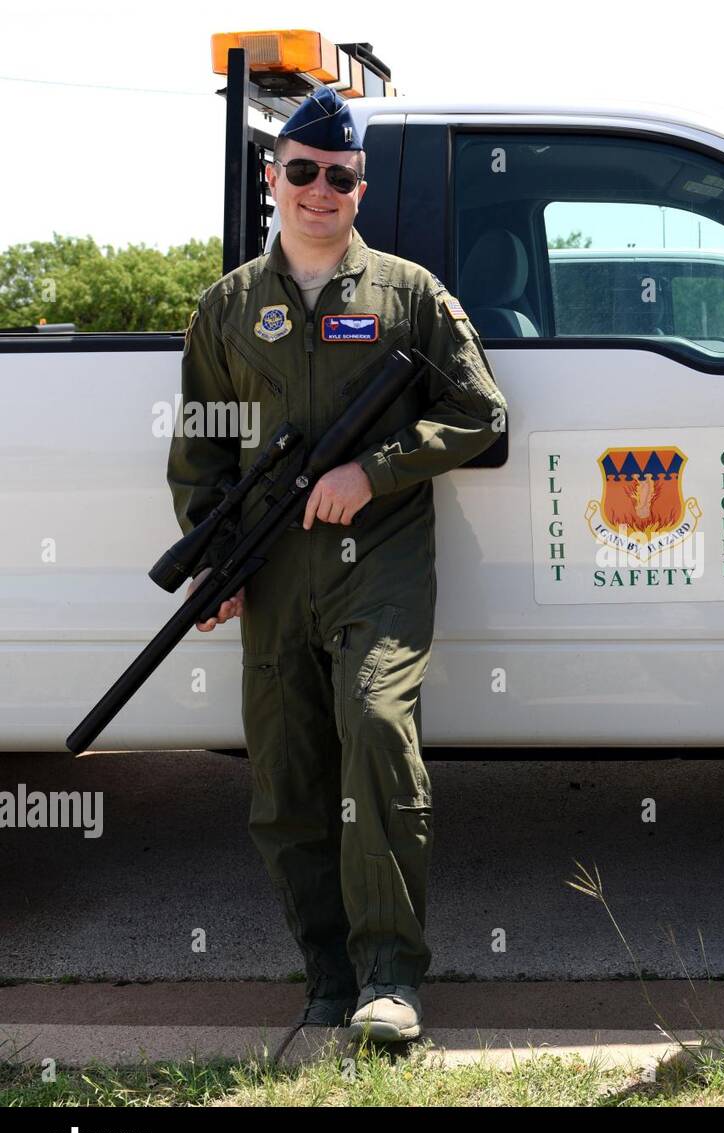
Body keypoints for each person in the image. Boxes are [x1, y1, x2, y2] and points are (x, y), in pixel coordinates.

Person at [168, 86, 506, 1046]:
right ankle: (327, 976)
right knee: (284, 775)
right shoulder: (227, 309)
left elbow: (484, 416)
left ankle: (390, 977)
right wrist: (214, 553)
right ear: (272, 179)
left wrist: (377, 469)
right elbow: (202, 446)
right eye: (303, 171)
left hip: (380, 563)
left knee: (374, 729)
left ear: (362, 186)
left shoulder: (409, 294)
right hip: (272, 569)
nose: (321, 190)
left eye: (341, 176)